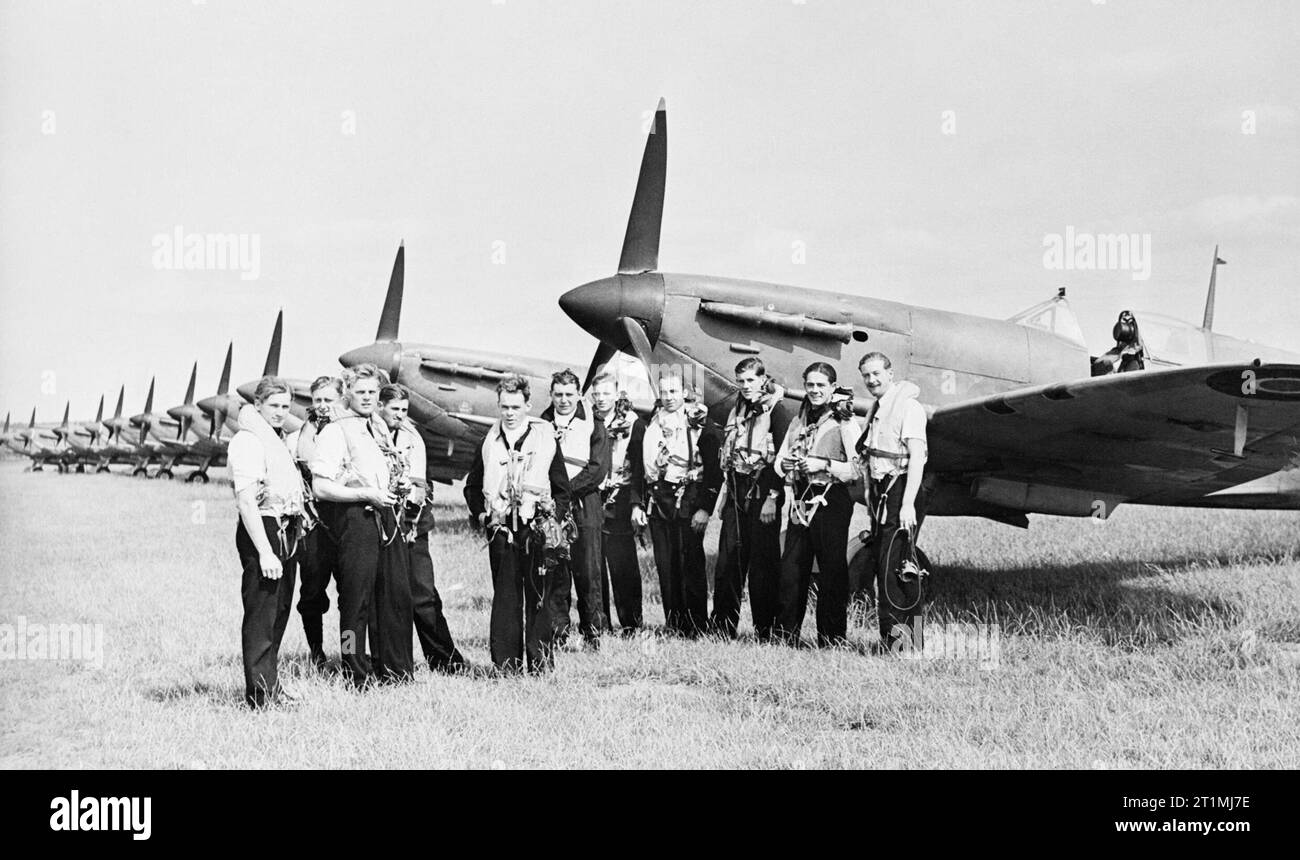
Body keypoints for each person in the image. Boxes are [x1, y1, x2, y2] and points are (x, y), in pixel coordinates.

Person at [309, 364, 413, 687]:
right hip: (355, 518)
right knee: (355, 602)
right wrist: (364, 493)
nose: (368, 397)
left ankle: (391, 670)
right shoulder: (335, 430)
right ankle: (354, 668)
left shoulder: (377, 427)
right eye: (361, 391)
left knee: (390, 596)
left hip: (384, 515)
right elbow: (320, 487)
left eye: (373, 392)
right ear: (347, 394)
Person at [464, 374, 573, 674]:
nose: (509, 413)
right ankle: (507, 666)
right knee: (506, 599)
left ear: (528, 405)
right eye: (504, 407)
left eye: (515, 406)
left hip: (534, 529)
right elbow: (472, 487)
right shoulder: (488, 441)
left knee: (539, 597)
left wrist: (554, 520)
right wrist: (484, 516)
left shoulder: (545, 439)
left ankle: (540, 664)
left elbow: (562, 489)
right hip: (501, 531)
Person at [376, 383, 466, 674]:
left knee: (424, 595)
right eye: (394, 409)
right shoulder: (367, 435)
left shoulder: (413, 438)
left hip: (412, 527)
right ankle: (384, 664)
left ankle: (446, 661)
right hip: (379, 527)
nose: (399, 415)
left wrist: (414, 504)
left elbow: (423, 484)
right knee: (380, 600)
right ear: (380, 407)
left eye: (404, 410)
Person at [228, 377, 306, 708]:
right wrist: (264, 552)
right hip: (264, 528)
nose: (280, 412)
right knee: (262, 614)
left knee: (280, 612)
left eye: (285, 407)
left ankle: (271, 685)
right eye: (273, 405)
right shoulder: (247, 441)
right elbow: (246, 502)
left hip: (286, 527)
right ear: (257, 405)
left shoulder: (275, 440)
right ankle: (259, 695)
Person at [774, 362, 861, 647]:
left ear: (833, 388)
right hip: (800, 499)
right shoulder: (798, 419)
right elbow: (779, 462)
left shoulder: (845, 421)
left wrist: (824, 463)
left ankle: (831, 639)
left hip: (831, 499)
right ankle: (786, 636)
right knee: (792, 570)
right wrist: (785, 464)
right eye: (810, 385)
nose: (814, 390)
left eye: (821, 385)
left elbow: (858, 469)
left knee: (832, 570)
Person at [712, 358, 794, 640]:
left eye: (751, 380)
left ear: (762, 380)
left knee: (763, 566)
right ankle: (722, 628)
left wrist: (773, 498)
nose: (746, 386)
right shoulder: (737, 410)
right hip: (736, 493)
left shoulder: (778, 412)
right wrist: (724, 497)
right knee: (728, 563)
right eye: (741, 381)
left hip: (763, 496)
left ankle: (765, 629)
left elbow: (782, 460)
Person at [856, 351, 929, 651]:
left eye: (876, 374)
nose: (872, 380)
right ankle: (893, 642)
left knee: (899, 569)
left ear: (890, 373)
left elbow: (917, 459)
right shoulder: (878, 408)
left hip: (901, 492)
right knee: (885, 566)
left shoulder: (909, 407)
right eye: (866, 376)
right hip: (884, 492)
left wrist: (908, 503)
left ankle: (907, 645)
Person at [641, 371, 722, 636]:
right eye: (663, 392)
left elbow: (713, 469)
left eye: (673, 392)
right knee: (666, 563)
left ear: (684, 393)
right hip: (660, 500)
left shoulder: (698, 422)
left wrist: (705, 508)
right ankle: (674, 622)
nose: (668, 397)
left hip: (689, 500)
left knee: (691, 562)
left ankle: (697, 625)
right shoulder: (653, 421)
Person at [540, 369, 610, 650]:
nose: (564, 400)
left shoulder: (594, 423)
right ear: (551, 395)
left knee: (588, 570)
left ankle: (593, 634)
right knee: (556, 570)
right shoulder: (542, 422)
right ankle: (558, 633)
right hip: (553, 507)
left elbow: (598, 469)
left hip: (584, 503)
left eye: (569, 394)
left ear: (578, 395)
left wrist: (566, 491)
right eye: (558, 394)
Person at [590, 373, 646, 635]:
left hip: (621, 500)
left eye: (606, 393)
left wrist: (637, 504)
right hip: (592, 499)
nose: (601, 399)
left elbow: (639, 467)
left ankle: (631, 623)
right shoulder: (587, 421)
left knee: (623, 566)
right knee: (594, 564)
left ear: (616, 394)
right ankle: (600, 623)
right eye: (596, 394)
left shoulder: (633, 423)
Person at [295, 375, 343, 669]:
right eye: (318, 400)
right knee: (311, 592)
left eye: (329, 400)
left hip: (346, 521)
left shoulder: (352, 427)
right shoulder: (304, 431)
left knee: (351, 597)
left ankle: (350, 652)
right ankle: (317, 653)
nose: (323, 406)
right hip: (314, 524)